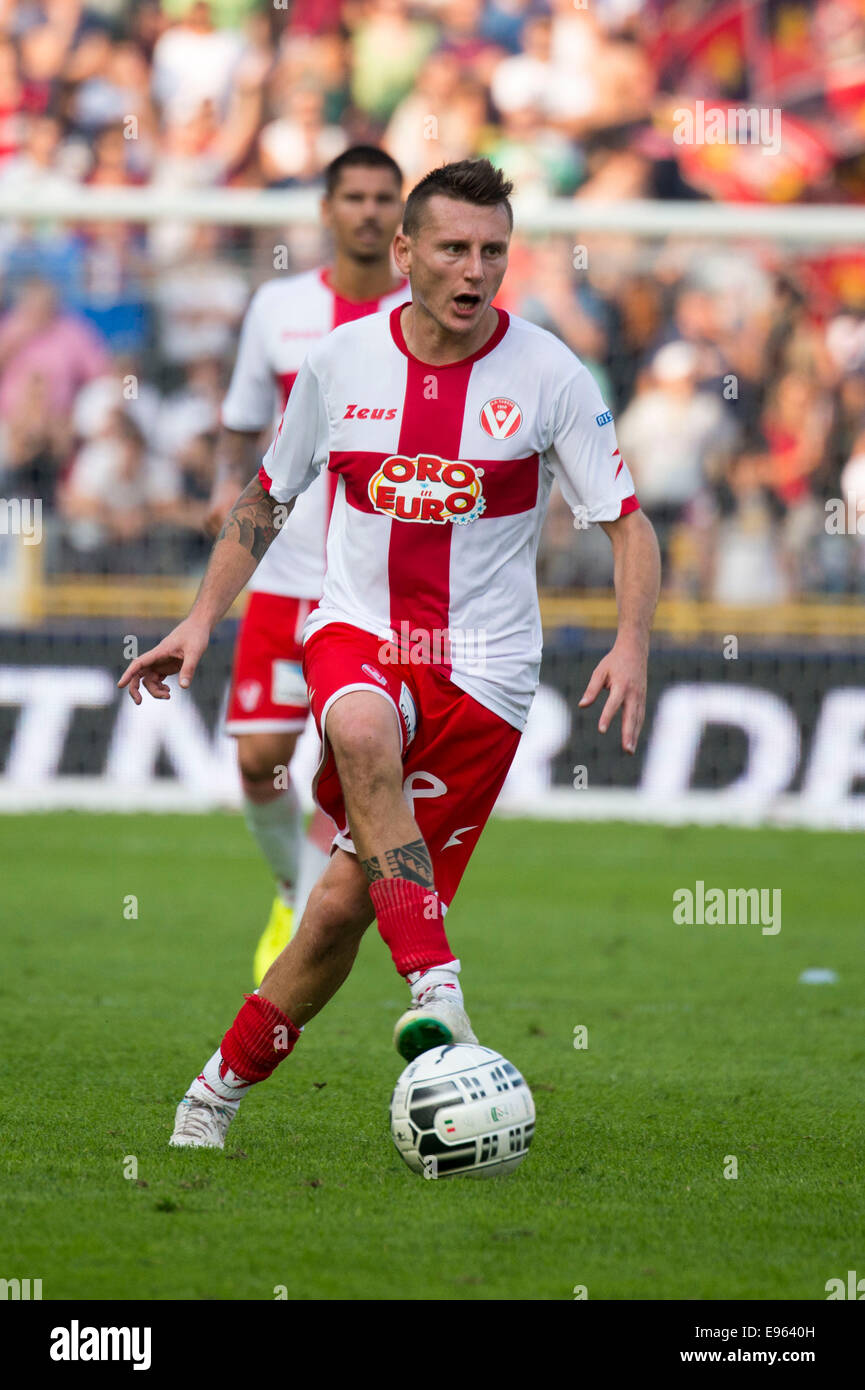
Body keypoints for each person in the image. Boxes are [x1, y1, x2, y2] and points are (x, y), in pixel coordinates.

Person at [119, 158, 660, 1151]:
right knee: (358, 724)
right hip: (358, 633)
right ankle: (439, 990)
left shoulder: (548, 374)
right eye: (453, 248)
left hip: (487, 673)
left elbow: (626, 522)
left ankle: (212, 1093)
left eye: (493, 251)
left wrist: (631, 643)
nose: (474, 270)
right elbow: (264, 498)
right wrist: (200, 617)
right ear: (404, 251)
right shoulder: (338, 362)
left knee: (333, 911)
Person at [207, 145, 407, 984]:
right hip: (286, 573)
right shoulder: (278, 307)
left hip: (382, 584)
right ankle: (295, 885)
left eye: (382, 199)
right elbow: (245, 420)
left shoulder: (430, 314)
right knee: (259, 758)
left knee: (372, 763)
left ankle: (390, 937)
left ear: (402, 217)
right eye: (352, 197)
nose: (367, 211)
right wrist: (225, 497)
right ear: (326, 210)